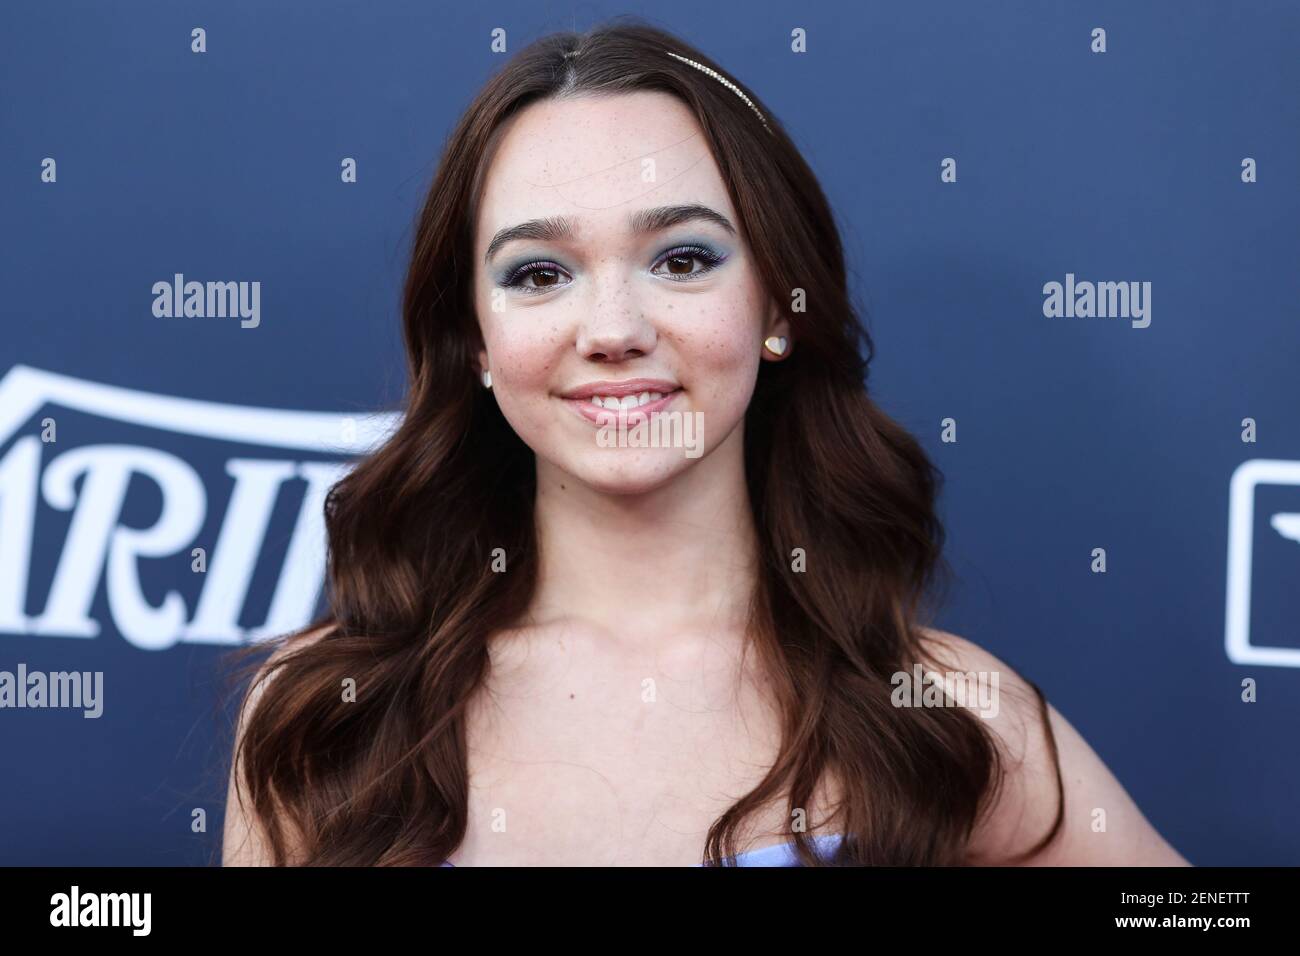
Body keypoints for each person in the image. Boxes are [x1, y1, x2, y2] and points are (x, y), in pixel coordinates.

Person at [222, 19, 1188, 867]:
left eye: (682, 259)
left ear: (776, 305)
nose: (611, 328)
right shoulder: (328, 718)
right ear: (474, 339)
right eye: (537, 273)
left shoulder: (944, 715)